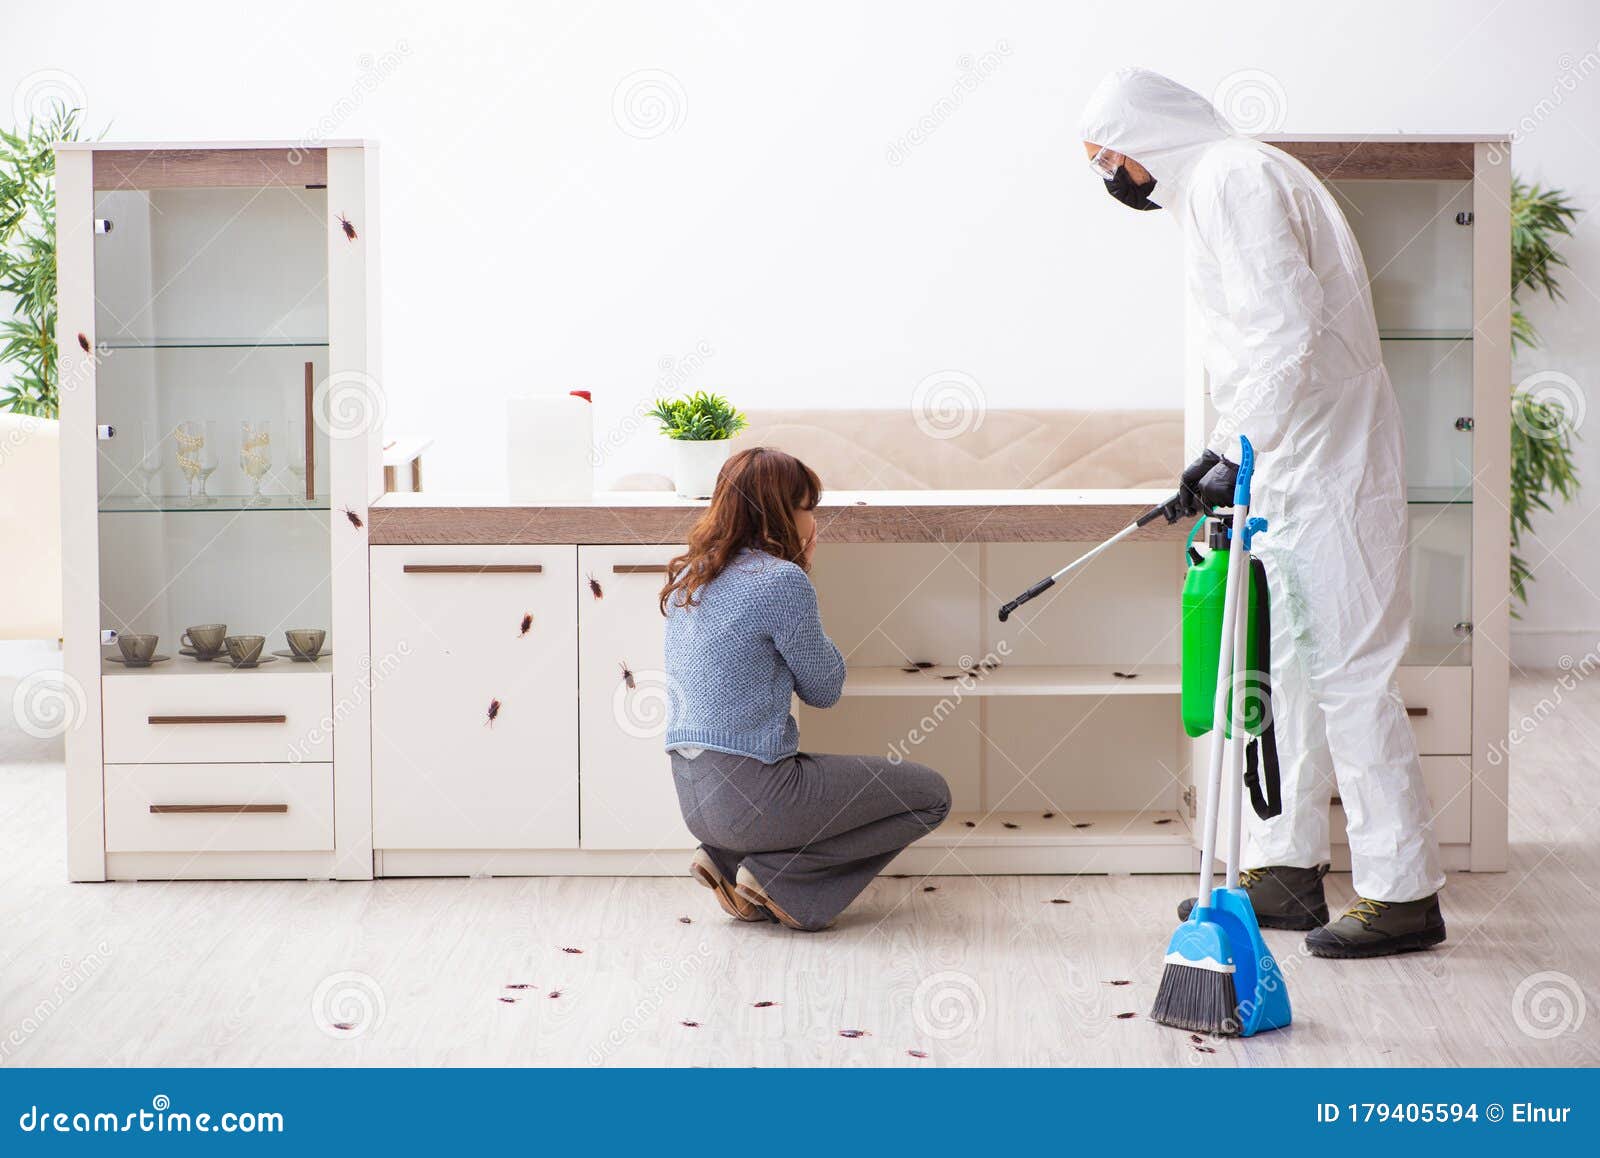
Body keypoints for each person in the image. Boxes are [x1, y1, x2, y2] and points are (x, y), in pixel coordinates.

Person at [1079, 68, 1446, 958]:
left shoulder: (1234, 178)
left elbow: (1288, 327)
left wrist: (1234, 445)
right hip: (1286, 466)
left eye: (1109, 158)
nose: (1111, 176)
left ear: (1145, 137)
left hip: (1331, 465)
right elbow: (1252, 345)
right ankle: (1285, 869)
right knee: (1281, 669)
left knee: (1352, 674)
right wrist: (1226, 452)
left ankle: (1404, 895)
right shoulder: (1218, 186)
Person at [660, 446, 951, 931]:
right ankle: (775, 877)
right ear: (780, 511)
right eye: (808, 508)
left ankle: (729, 865)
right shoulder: (780, 580)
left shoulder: (693, 573)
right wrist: (803, 570)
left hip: (695, 800)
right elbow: (825, 687)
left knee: (794, 785)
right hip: (751, 800)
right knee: (930, 795)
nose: (813, 520)